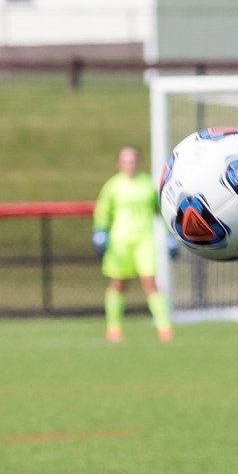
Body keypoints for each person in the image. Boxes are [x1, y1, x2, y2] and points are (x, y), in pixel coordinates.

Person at [92, 145, 173, 343]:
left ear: (139, 162)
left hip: (144, 240)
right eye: (126, 160)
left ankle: (164, 327)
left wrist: (171, 234)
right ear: (120, 163)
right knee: (119, 283)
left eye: (133, 159)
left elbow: (161, 210)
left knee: (150, 282)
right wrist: (100, 232)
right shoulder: (113, 186)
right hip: (120, 242)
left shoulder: (148, 185)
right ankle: (114, 328)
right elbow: (103, 212)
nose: (130, 163)